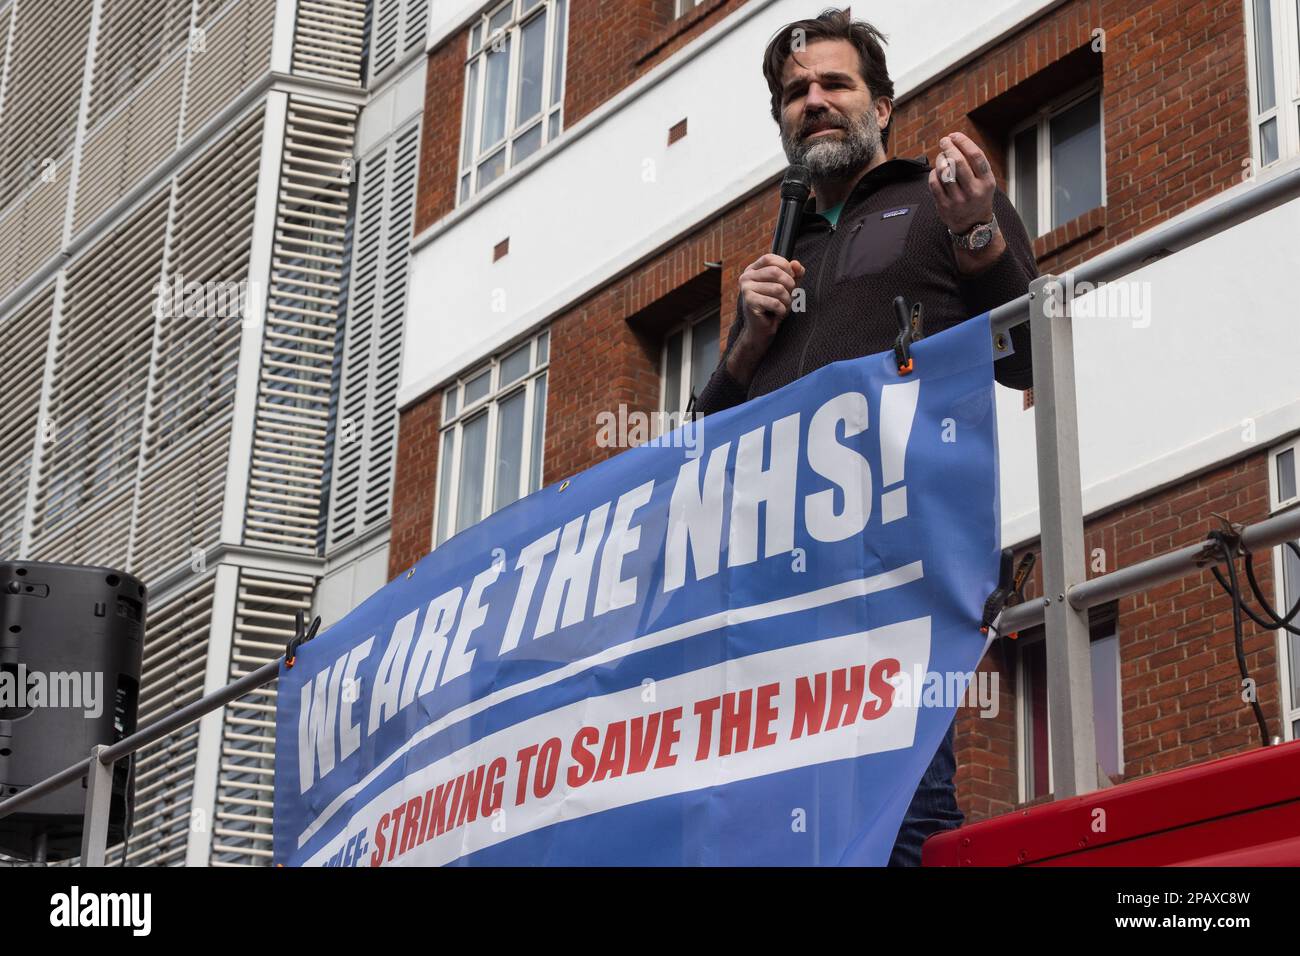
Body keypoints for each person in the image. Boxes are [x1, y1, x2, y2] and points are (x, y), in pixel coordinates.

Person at [693, 7, 1038, 866]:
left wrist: (980, 233)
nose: (812, 101)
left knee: (901, 817)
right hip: (773, 605)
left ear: (882, 105)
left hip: (895, 583)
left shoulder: (940, 205)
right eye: (793, 93)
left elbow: (1030, 354)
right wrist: (740, 349)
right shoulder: (778, 260)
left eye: (834, 84)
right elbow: (700, 460)